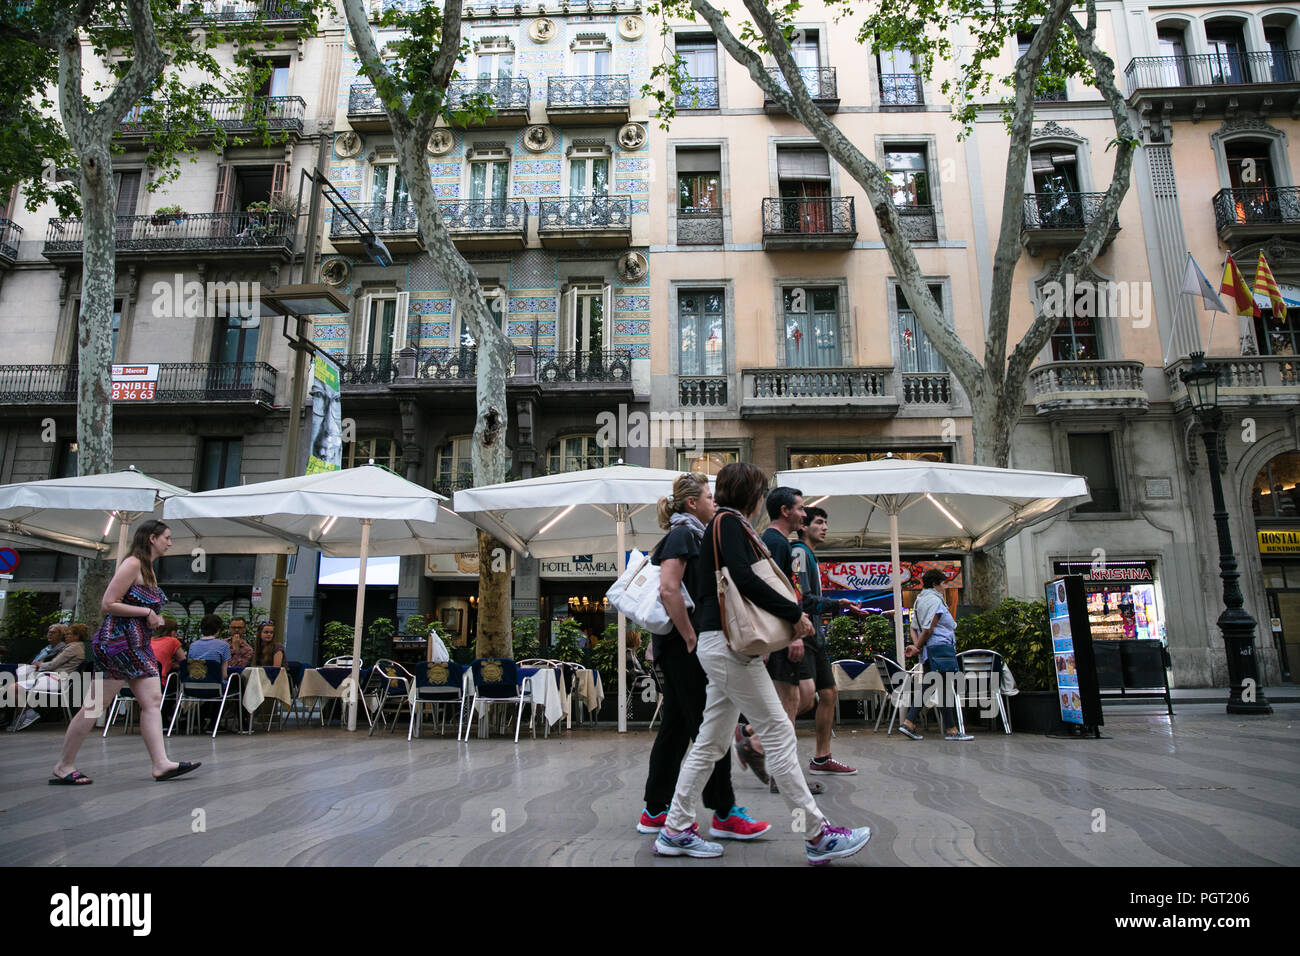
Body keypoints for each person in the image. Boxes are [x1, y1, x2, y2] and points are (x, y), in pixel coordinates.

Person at [656, 463, 872, 864]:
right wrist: (793, 615)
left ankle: (675, 829)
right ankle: (817, 833)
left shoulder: (723, 524)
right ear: (753, 496)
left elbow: (747, 582)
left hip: (720, 645)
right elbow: (746, 580)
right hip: (729, 647)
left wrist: (796, 610)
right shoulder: (730, 524)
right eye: (761, 492)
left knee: (711, 742)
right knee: (777, 731)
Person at [636, 473, 771, 842]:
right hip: (683, 649)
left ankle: (655, 809)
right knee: (711, 728)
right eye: (710, 497)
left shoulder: (694, 533)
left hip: (679, 648)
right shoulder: (684, 534)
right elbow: (668, 589)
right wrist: (691, 635)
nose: (715, 502)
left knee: (677, 730)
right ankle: (724, 812)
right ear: (692, 503)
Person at [49, 520, 200, 784]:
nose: (170, 542)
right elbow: (108, 603)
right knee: (96, 705)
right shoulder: (132, 564)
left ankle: (161, 763)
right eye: (167, 537)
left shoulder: (147, 568)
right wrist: (147, 612)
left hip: (138, 645)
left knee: (152, 701)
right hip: (118, 644)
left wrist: (153, 617)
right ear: (152, 538)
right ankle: (64, 765)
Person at [792, 505, 871, 775]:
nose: (825, 527)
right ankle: (753, 735)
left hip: (815, 636)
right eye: (819, 522)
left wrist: (839, 605)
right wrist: (838, 604)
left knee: (828, 693)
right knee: (801, 700)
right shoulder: (799, 554)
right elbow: (801, 598)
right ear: (803, 526)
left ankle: (822, 757)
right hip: (803, 635)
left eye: (826, 522)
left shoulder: (810, 556)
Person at [757, 486, 825, 795]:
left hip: (787, 632)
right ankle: (781, 775)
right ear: (785, 511)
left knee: (805, 696)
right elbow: (779, 593)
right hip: (785, 636)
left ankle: (758, 745)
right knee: (789, 705)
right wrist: (792, 635)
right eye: (800, 508)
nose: (804, 514)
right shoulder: (776, 543)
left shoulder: (777, 542)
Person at [898, 568, 973, 742]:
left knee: (937, 686)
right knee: (941, 687)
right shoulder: (935, 601)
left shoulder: (919, 601)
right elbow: (928, 628)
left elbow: (914, 627)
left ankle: (948, 729)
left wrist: (918, 646)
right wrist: (917, 646)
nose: (945, 587)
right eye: (944, 583)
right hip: (940, 649)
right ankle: (914, 722)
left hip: (929, 651)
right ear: (935, 584)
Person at [7, 624, 85, 732]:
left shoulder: (73, 648)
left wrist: (39, 665)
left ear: (76, 636)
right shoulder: (75, 647)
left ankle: (28, 713)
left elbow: (53, 665)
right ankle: (25, 714)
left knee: (13, 687)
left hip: (55, 680)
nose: (65, 636)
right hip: (56, 678)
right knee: (17, 685)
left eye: (68, 634)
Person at [188, 613, 232, 681]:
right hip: (215, 687)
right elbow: (224, 675)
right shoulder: (223, 645)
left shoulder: (193, 645)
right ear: (218, 629)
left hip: (193, 685)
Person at [149, 617, 186, 682]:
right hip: (161, 682)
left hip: (146, 681)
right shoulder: (173, 641)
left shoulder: (149, 640)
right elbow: (183, 662)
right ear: (173, 632)